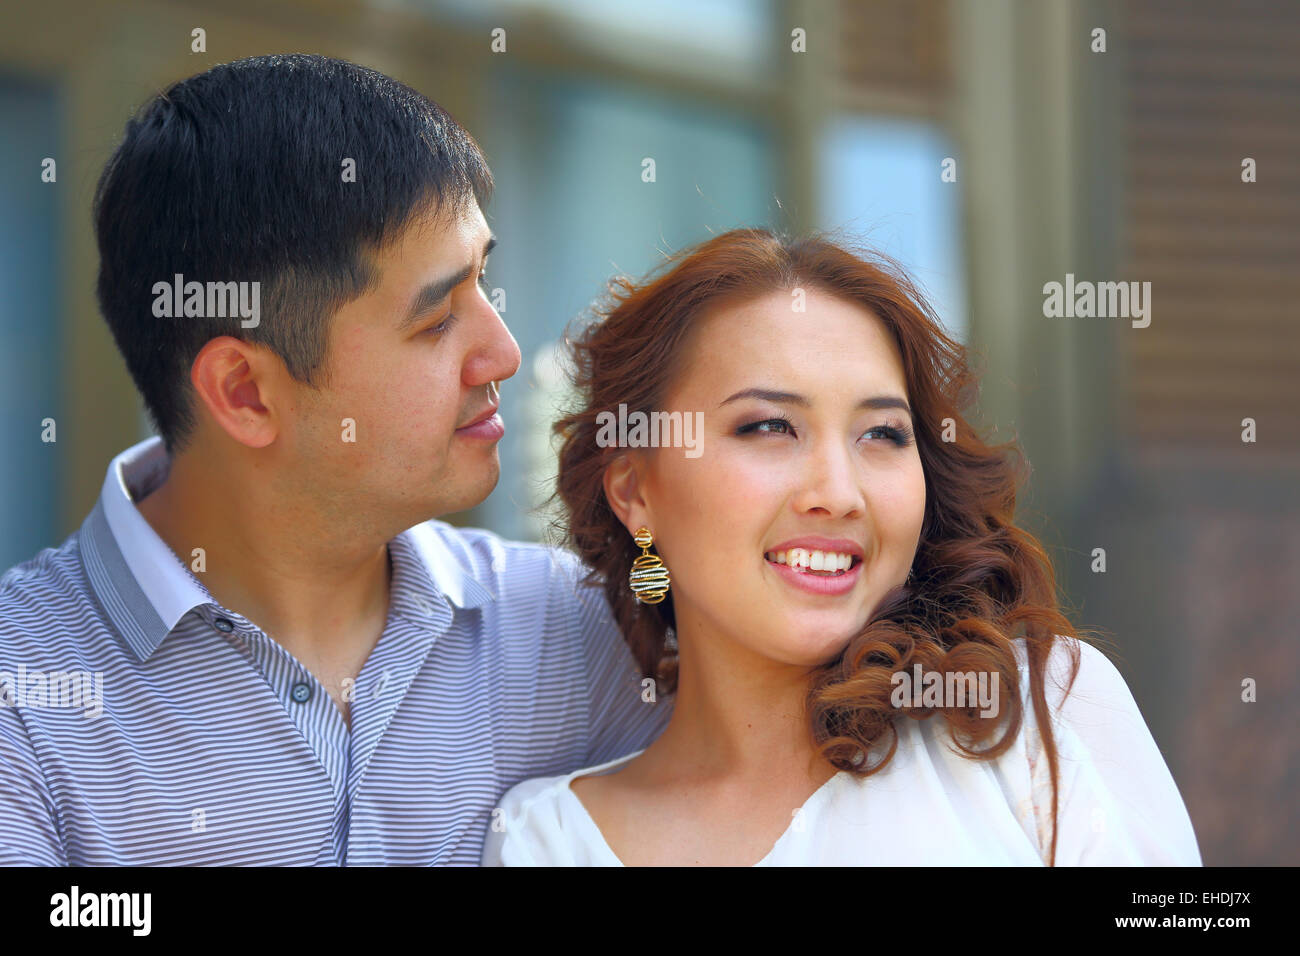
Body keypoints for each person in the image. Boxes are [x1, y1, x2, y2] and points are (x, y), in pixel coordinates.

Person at [0, 54, 670, 865]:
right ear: (244, 393)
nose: (503, 353)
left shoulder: (582, 632)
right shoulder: (24, 700)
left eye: (484, 284)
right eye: (434, 323)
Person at [481, 228, 1203, 866]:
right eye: (769, 427)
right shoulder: (546, 839)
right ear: (635, 489)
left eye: (882, 435)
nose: (839, 491)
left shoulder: (1035, 710)